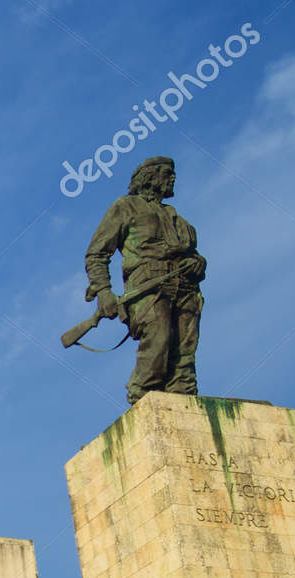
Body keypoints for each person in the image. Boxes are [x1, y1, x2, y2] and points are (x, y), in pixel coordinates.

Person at [84, 155, 206, 404]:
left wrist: (198, 263)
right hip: (149, 288)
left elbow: (193, 255)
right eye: (167, 173)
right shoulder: (126, 206)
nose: (173, 178)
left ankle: (185, 403)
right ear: (150, 177)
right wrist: (104, 291)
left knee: (185, 353)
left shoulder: (177, 218)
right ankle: (143, 398)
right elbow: (97, 253)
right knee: (158, 342)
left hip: (185, 288)